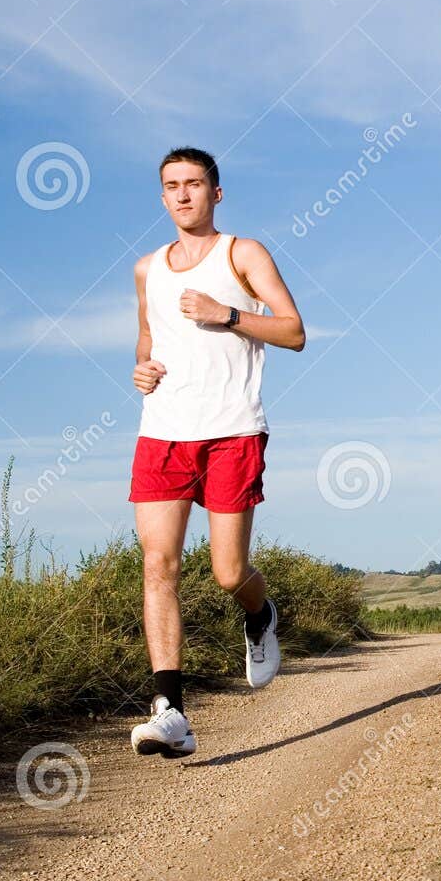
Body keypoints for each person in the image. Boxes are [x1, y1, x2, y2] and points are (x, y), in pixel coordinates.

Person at [128, 147, 305, 757]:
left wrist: (226, 313)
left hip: (232, 429)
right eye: (172, 186)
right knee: (160, 567)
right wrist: (142, 370)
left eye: (194, 184)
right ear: (162, 197)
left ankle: (260, 614)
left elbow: (294, 331)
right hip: (162, 431)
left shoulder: (243, 253)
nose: (183, 195)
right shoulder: (147, 268)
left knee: (229, 572)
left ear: (216, 193)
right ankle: (170, 711)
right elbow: (148, 340)